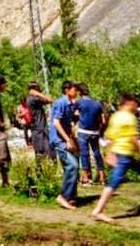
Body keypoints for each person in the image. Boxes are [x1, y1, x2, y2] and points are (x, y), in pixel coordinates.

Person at [91, 94, 140, 223]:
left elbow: (110, 137)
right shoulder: (130, 117)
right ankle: (98, 211)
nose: (136, 106)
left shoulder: (115, 116)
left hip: (123, 154)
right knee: (114, 183)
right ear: (129, 103)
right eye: (134, 104)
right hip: (125, 155)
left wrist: (109, 153)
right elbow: (134, 138)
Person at [49, 80, 81, 210]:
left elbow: (71, 121)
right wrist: (67, 139)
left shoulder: (70, 104)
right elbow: (56, 122)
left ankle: (71, 197)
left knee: (73, 164)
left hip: (66, 138)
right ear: (67, 90)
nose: (76, 92)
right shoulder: (60, 102)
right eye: (74, 90)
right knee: (72, 165)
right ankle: (63, 196)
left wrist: (73, 137)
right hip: (58, 140)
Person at [74, 83, 106, 185]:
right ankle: (102, 177)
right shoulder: (97, 104)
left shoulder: (79, 103)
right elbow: (103, 120)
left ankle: (86, 179)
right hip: (95, 132)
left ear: (79, 92)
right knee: (97, 154)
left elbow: (72, 113)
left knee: (84, 154)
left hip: (83, 131)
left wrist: (79, 115)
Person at [26, 82, 55, 160]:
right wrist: (39, 94)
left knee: (41, 153)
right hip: (40, 129)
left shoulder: (29, 98)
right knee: (44, 152)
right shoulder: (34, 99)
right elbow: (50, 100)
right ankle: (44, 170)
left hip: (37, 129)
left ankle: (42, 170)